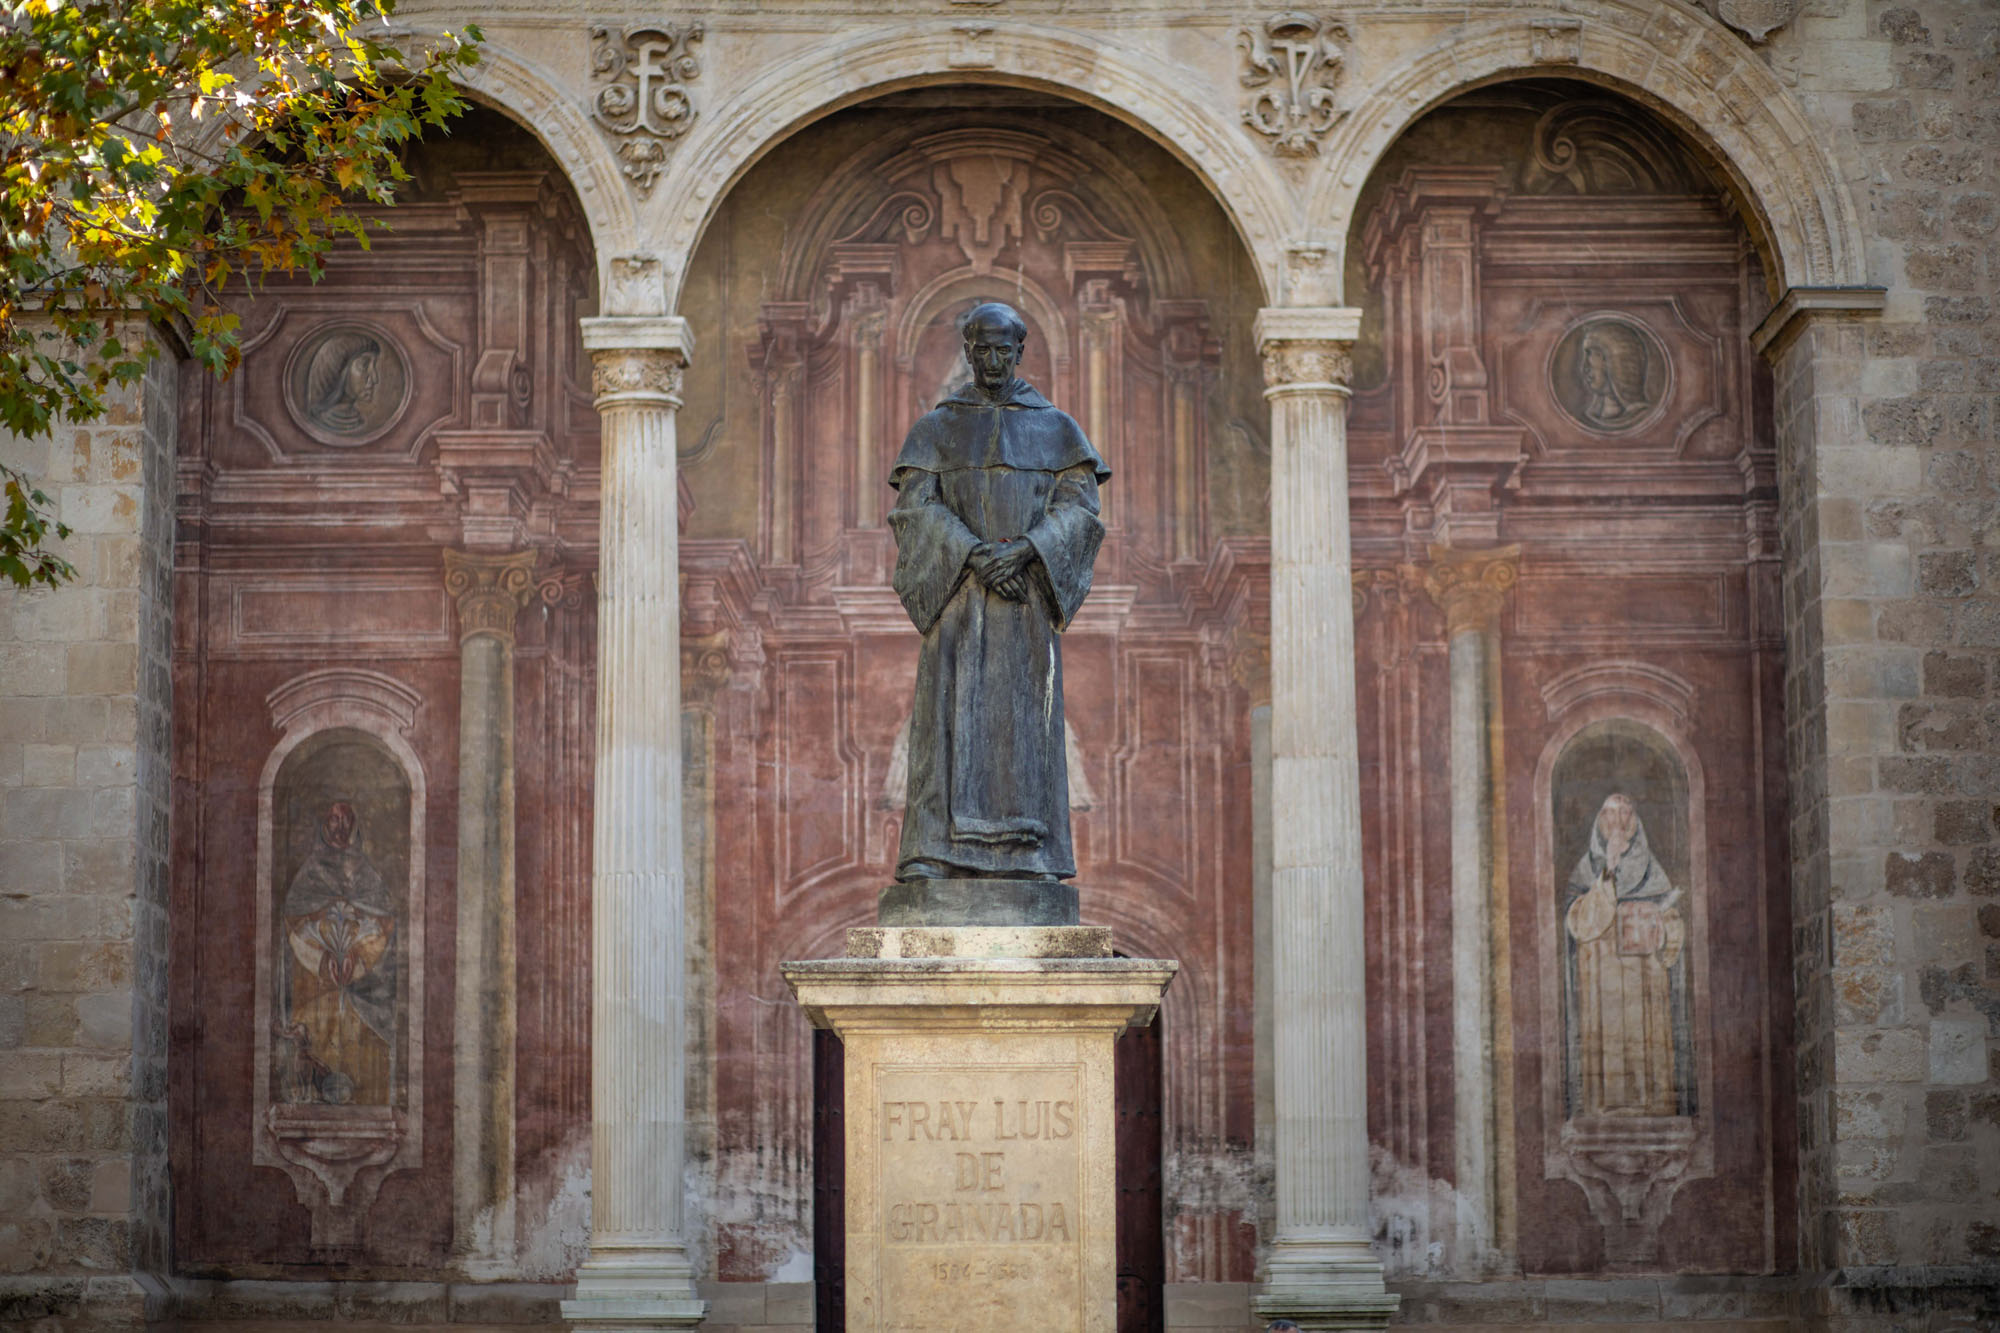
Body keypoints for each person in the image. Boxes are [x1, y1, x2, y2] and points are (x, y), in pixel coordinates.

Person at [886, 301, 1108, 887]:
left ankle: (1030, 856)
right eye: (980, 349)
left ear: (1020, 351)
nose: (991, 360)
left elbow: (1081, 511)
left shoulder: (1058, 430)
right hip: (959, 600)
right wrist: (975, 553)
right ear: (968, 352)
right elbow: (914, 509)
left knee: (1025, 724)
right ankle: (932, 850)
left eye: (1002, 349)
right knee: (945, 722)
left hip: (1023, 603)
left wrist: (1028, 548)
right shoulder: (936, 430)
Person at [280, 800, 398, 1104]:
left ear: (355, 828)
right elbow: (293, 922)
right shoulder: (308, 878)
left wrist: (361, 955)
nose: (340, 826)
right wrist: (320, 957)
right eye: (334, 819)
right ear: (323, 826)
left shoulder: (369, 878)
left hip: (362, 993)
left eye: (347, 820)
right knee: (314, 1052)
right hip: (315, 990)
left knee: (364, 1054)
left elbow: (384, 922)